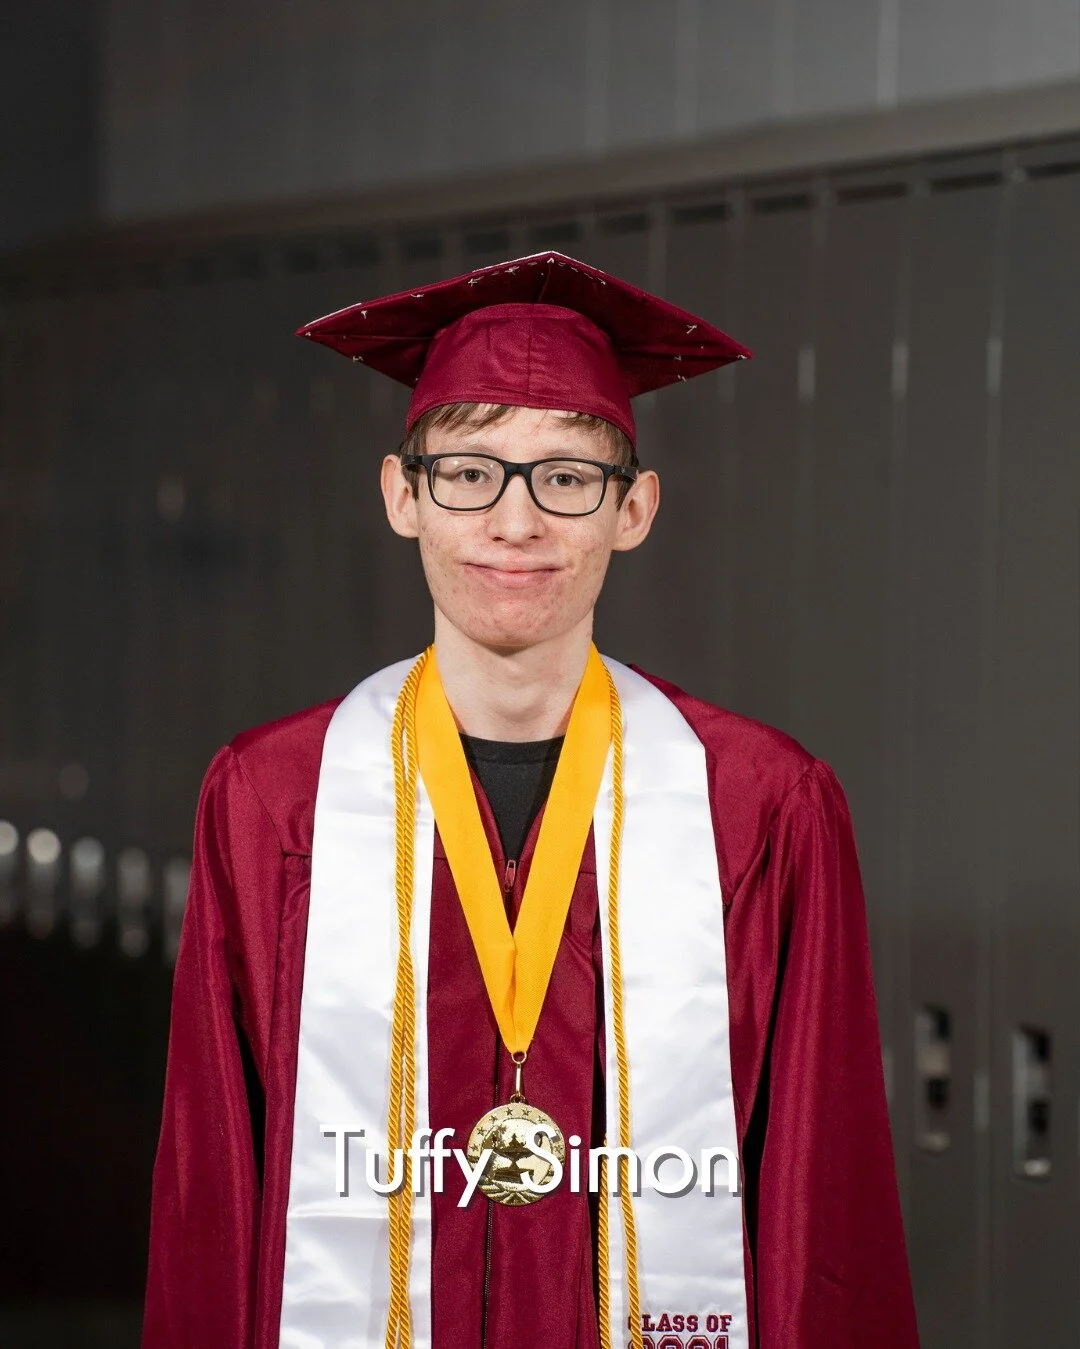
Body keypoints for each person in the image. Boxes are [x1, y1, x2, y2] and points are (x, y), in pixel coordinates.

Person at [142, 252, 920, 1349]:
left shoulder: (761, 806)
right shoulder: (275, 800)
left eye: (567, 476)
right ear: (401, 494)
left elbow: (821, 1200)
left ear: (634, 508)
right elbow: (211, 1188)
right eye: (469, 472)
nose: (516, 523)